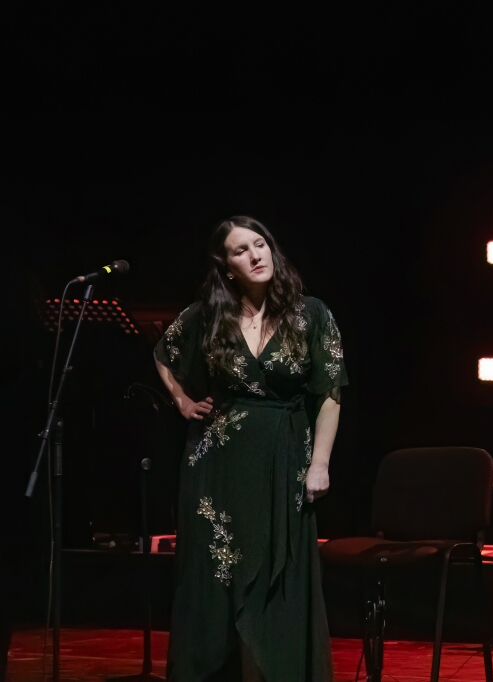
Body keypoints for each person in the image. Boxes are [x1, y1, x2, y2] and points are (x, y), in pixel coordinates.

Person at [155, 216, 346, 681]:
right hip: (216, 468)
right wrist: (181, 400)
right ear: (226, 264)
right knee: (214, 584)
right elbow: (163, 352)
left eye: (260, 244)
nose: (256, 255)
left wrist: (319, 463)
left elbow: (330, 393)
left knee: (275, 583)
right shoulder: (209, 315)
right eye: (241, 250)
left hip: (284, 460)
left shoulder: (311, 314)